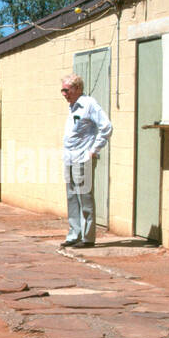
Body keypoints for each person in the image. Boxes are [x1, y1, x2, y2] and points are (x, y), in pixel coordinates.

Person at [59, 74, 113, 249]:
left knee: (85, 197)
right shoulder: (73, 107)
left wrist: (93, 151)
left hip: (82, 158)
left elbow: (106, 127)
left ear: (77, 89)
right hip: (70, 158)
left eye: (66, 90)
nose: (64, 94)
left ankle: (88, 237)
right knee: (72, 197)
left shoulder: (89, 104)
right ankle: (74, 234)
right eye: (63, 90)